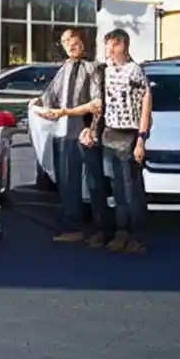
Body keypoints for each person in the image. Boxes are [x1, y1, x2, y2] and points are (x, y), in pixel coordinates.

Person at [30, 28, 108, 244]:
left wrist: (90, 128)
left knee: (94, 183)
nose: (70, 46)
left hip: (85, 133)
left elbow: (97, 104)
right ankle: (73, 227)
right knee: (67, 183)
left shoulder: (94, 68)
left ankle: (101, 230)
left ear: (83, 43)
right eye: (65, 42)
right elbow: (51, 95)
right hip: (63, 133)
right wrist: (39, 104)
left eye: (73, 41)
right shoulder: (64, 68)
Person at [98, 28, 153, 254]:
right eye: (108, 45)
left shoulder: (135, 71)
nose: (111, 49)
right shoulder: (106, 71)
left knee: (132, 190)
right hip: (110, 133)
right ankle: (121, 233)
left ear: (125, 46)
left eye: (115, 44)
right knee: (116, 188)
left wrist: (141, 138)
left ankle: (138, 236)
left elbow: (146, 102)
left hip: (129, 134)